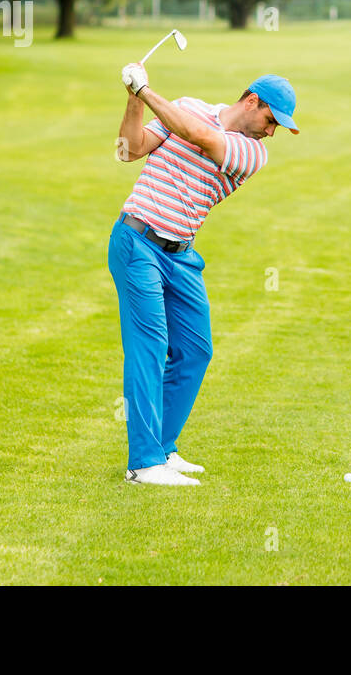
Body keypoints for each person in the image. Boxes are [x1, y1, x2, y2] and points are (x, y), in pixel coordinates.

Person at [110, 62, 299, 485]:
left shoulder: (252, 153)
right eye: (271, 121)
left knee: (196, 350)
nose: (272, 132)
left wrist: (145, 91)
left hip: (181, 255)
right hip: (137, 240)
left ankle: (162, 446)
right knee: (149, 346)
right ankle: (145, 463)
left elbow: (200, 136)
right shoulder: (187, 107)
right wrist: (133, 99)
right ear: (252, 101)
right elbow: (129, 150)